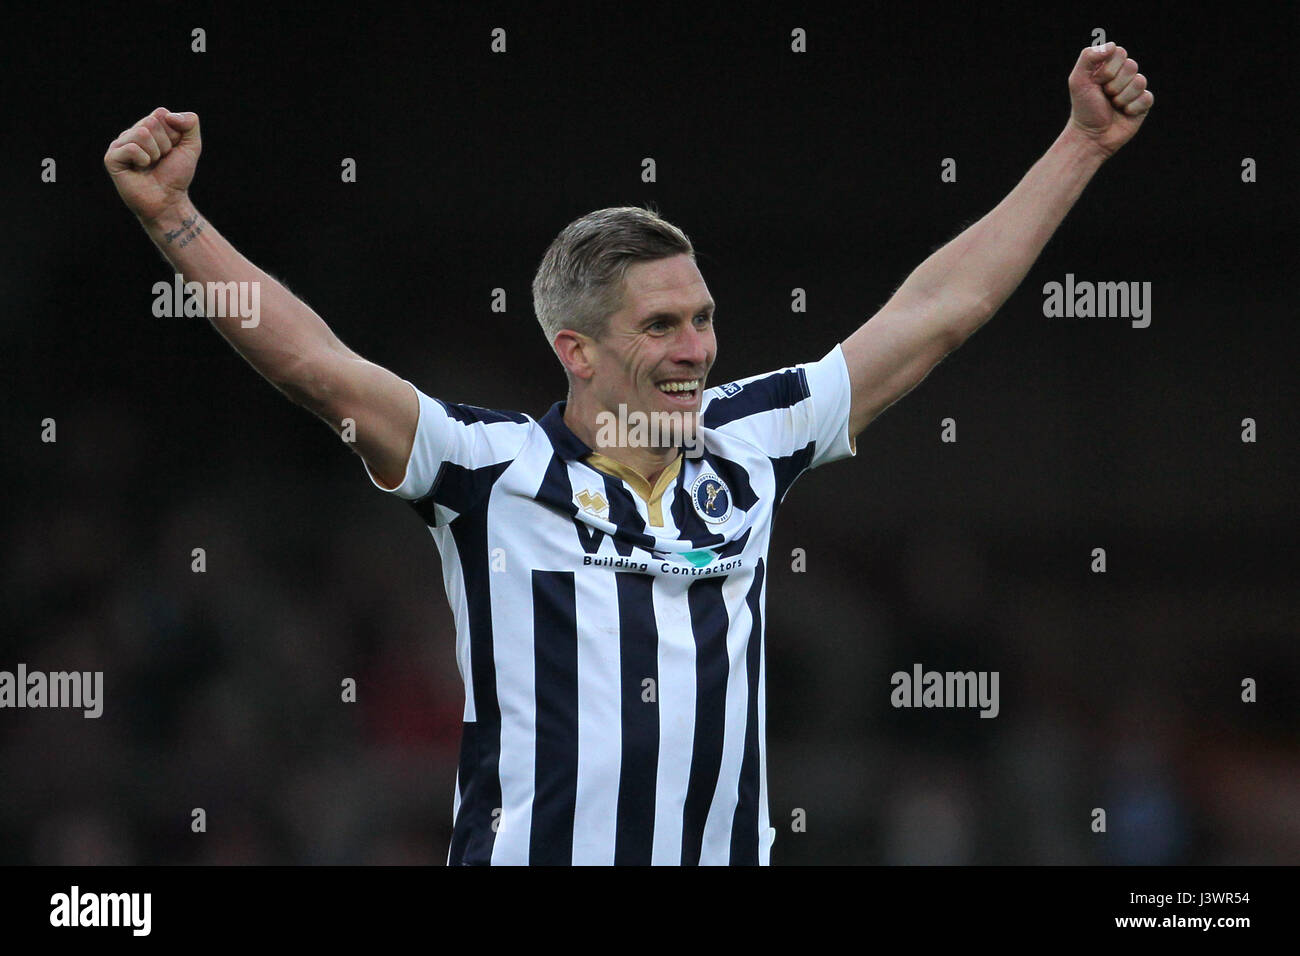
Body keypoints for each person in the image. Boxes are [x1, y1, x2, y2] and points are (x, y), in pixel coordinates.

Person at [103, 43, 1152, 865]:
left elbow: (939, 310)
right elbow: (319, 369)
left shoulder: (753, 439)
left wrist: (1082, 145)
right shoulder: (487, 467)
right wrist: (176, 218)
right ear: (579, 350)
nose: (695, 347)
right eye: (660, 326)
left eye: (701, 317)